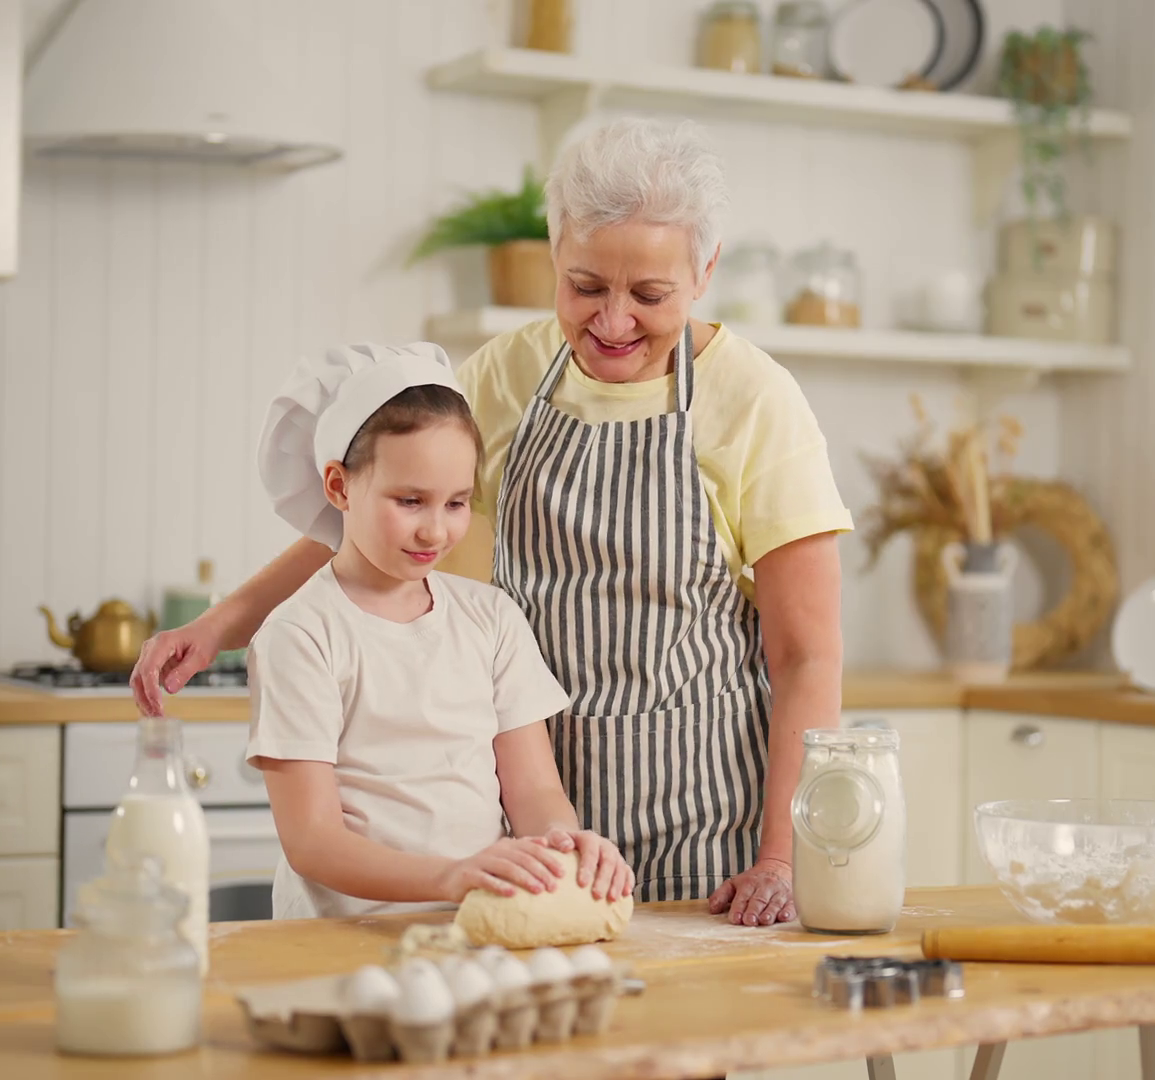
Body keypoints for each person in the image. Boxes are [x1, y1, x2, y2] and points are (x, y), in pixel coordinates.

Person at [134, 116, 849, 926]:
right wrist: (226, 621)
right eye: (584, 286)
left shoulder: (757, 401)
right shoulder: (507, 374)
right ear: (554, 254)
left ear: (705, 270)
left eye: (650, 296)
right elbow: (381, 503)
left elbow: (805, 657)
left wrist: (780, 858)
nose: (613, 322)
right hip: (532, 814)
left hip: (699, 819)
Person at [247, 342, 633, 918]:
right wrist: (449, 877)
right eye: (410, 501)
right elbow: (312, 843)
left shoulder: (492, 619)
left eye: (456, 503)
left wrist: (560, 844)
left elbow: (533, 791)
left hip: (476, 924)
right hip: (341, 940)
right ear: (339, 487)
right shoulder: (302, 635)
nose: (435, 530)